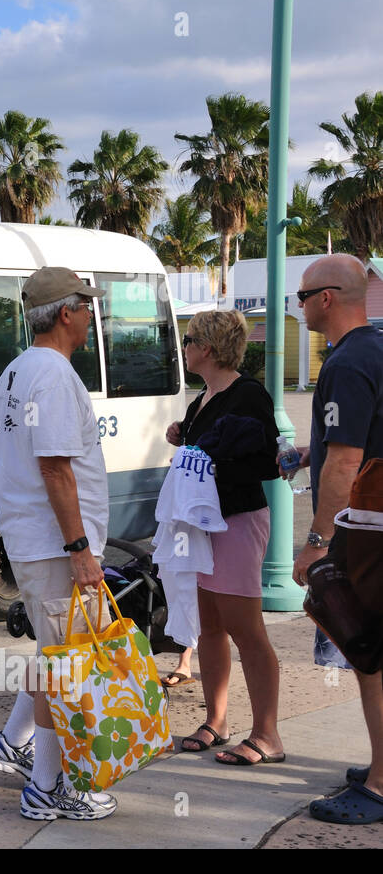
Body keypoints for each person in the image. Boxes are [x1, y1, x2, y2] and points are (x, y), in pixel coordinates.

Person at [0, 266, 115, 820]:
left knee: (52, 654)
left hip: (29, 538)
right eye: (87, 307)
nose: (91, 316)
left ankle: (15, 745)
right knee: (67, 666)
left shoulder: (13, 372)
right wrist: (81, 548)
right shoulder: (55, 376)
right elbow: (57, 468)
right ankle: (50, 787)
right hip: (57, 546)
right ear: (66, 313)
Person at [287, 255, 383, 822]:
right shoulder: (375, 349)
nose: (297, 307)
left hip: (366, 531)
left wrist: (317, 540)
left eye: (301, 297)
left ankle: (379, 783)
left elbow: (346, 463)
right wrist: (309, 450)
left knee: (368, 651)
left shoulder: (347, 362)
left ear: (327, 298)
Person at [165, 311, 283, 765]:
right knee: (210, 626)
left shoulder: (248, 395)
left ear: (207, 349)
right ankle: (217, 720)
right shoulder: (203, 398)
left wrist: (209, 453)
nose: (185, 346)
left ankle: (267, 734)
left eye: (189, 339)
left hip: (235, 522)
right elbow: (205, 452)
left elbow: (266, 461)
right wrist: (184, 439)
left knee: (247, 630)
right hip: (203, 525)